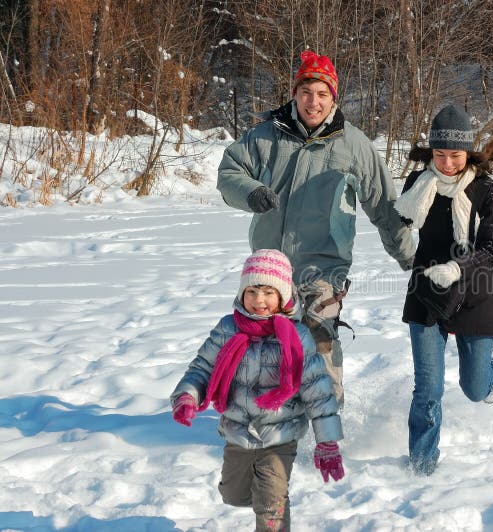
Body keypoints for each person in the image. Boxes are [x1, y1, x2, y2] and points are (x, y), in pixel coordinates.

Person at [216, 50, 415, 408]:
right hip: (270, 269)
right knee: (269, 350)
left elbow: (385, 207)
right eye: (307, 91)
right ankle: (268, 422)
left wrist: (410, 257)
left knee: (320, 343)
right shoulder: (265, 137)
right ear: (295, 93)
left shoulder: (354, 145)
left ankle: (327, 425)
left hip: (325, 265)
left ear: (333, 98)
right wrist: (252, 192)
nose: (314, 101)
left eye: (323, 94)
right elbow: (229, 173)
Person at [170, 249, 345, 532]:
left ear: (283, 297)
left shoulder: (296, 335)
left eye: (268, 292)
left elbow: (318, 390)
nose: (259, 300)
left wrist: (327, 440)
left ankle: (271, 503)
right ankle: (261, 494)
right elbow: (203, 367)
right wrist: (188, 395)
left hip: (279, 435)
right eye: (251, 291)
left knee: (271, 503)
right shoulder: (229, 328)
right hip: (237, 432)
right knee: (233, 494)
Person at [394, 104, 493, 476]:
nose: (446, 163)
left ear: (468, 153)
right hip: (427, 294)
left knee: (475, 389)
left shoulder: (485, 190)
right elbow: (398, 222)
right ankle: (422, 466)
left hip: (473, 292)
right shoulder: (416, 184)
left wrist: (457, 268)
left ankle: (489, 372)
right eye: (439, 155)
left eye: (455, 155)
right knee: (428, 388)